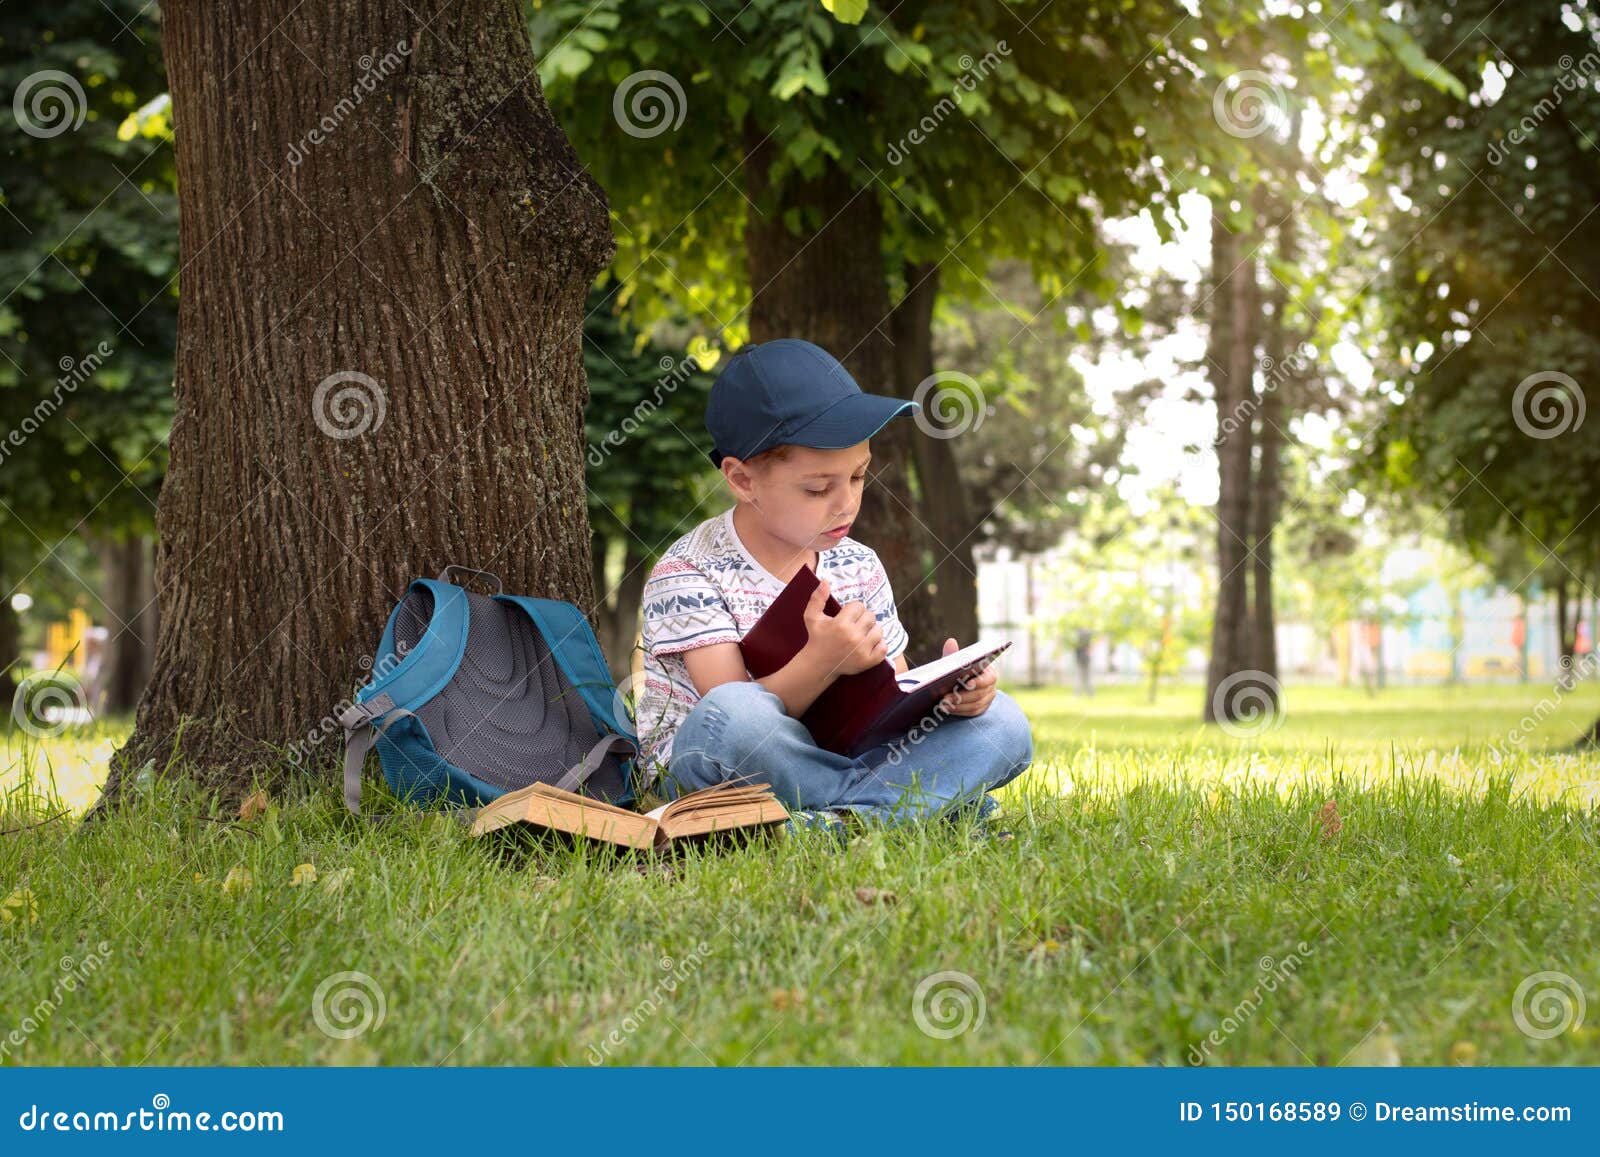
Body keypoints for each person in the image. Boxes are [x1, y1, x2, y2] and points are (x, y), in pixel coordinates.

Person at [633, 338, 1034, 826]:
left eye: (859, 476)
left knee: (1005, 724)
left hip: (841, 756)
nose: (846, 503)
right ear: (742, 480)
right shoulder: (689, 572)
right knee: (737, 715)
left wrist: (945, 696)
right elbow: (731, 711)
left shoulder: (858, 564)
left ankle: (837, 822)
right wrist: (821, 663)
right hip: (717, 764)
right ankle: (915, 806)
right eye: (818, 488)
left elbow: (890, 700)